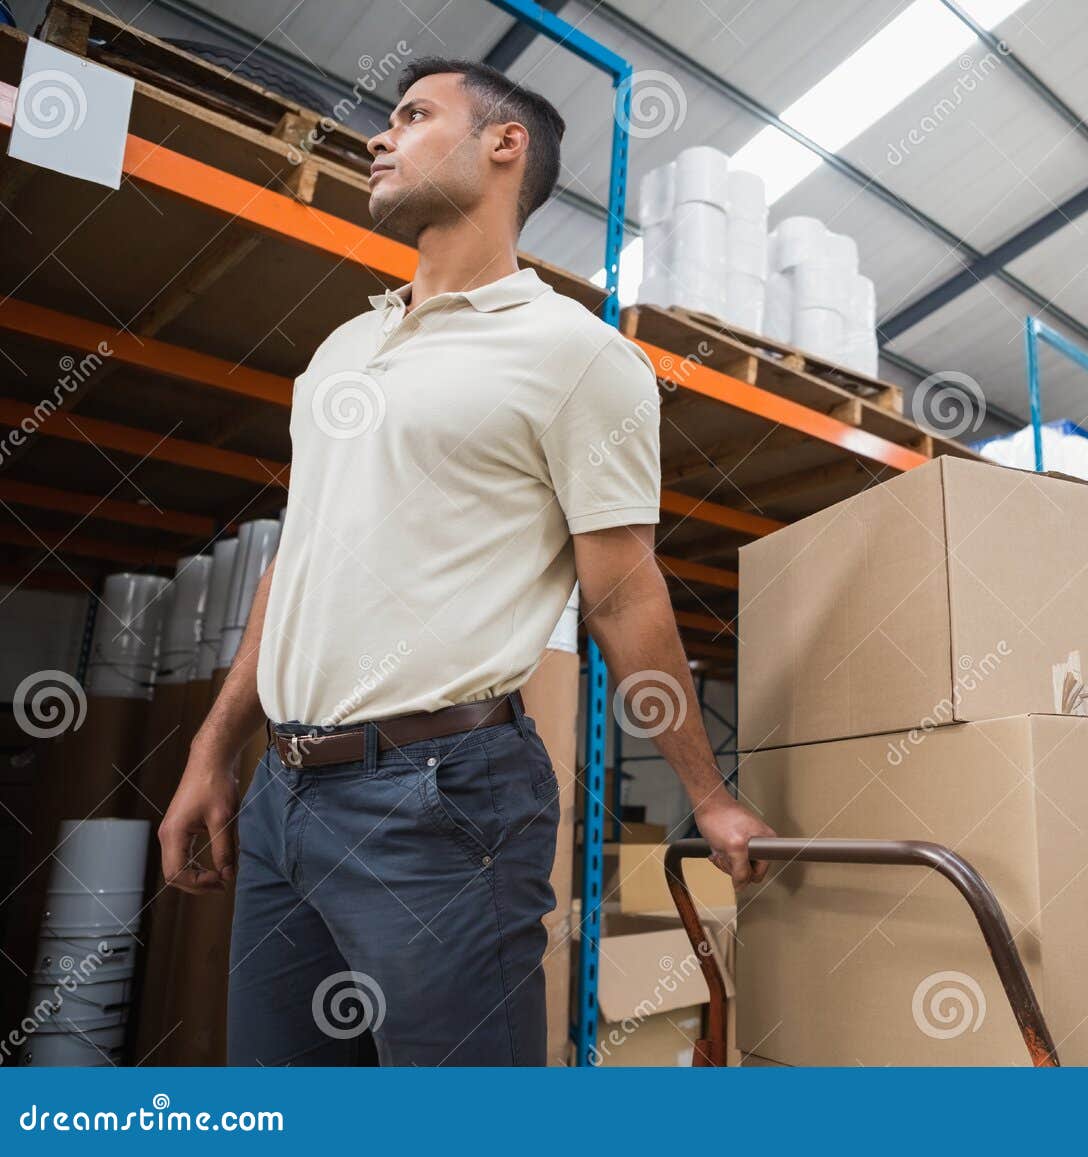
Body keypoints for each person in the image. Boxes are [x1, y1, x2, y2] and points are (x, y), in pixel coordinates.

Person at [158, 57, 774, 1066]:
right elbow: (295, 563)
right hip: (283, 794)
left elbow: (620, 589)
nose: (376, 136)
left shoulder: (577, 357)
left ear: (504, 145)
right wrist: (214, 750)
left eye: (411, 115)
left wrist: (706, 793)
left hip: (439, 795)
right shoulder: (340, 352)